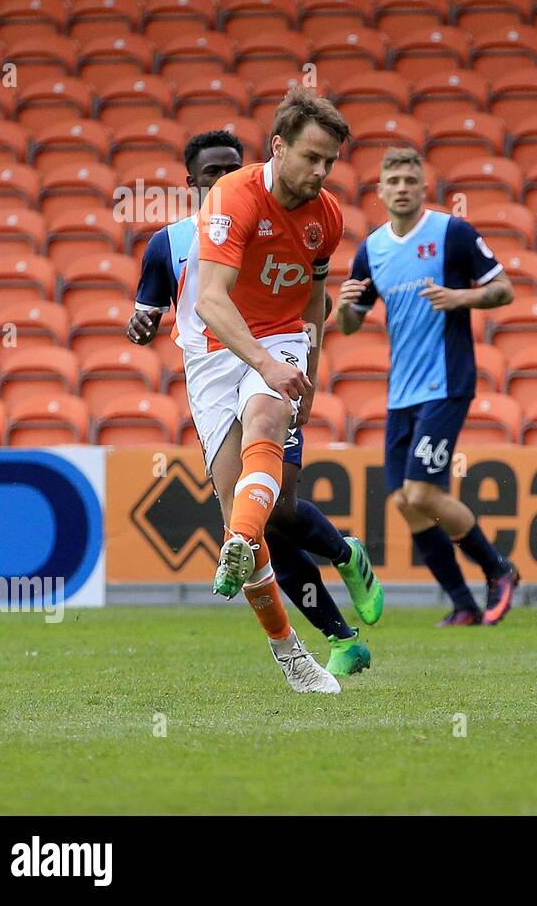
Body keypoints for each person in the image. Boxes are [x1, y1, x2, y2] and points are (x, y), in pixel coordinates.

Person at [129, 130, 383, 678]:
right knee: (259, 514)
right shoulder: (166, 244)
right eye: (210, 172)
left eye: (231, 167)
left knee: (277, 504)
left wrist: (305, 368)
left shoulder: (270, 210)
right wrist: (142, 323)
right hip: (210, 368)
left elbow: (312, 291)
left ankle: (340, 569)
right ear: (191, 181)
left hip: (272, 352)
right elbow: (147, 317)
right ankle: (332, 629)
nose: (223, 179)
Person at [171, 90, 356, 693]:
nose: (321, 173)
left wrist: (308, 369)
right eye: (311, 158)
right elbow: (210, 300)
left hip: (280, 338)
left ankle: (240, 543)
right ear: (279, 147)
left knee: (269, 422)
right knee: (237, 505)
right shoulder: (233, 195)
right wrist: (263, 363)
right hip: (216, 349)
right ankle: (292, 657)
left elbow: (312, 301)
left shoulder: (326, 216)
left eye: (330, 161)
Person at [335, 146, 521, 627]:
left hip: (447, 381)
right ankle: (462, 602)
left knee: (421, 491)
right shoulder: (371, 249)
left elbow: (504, 288)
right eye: (392, 180)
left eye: (409, 180)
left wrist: (462, 296)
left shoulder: (451, 234)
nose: (401, 188)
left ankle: (499, 570)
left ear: (423, 188)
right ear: (379, 191)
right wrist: (345, 305)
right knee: (402, 500)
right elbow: (351, 324)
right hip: (402, 392)